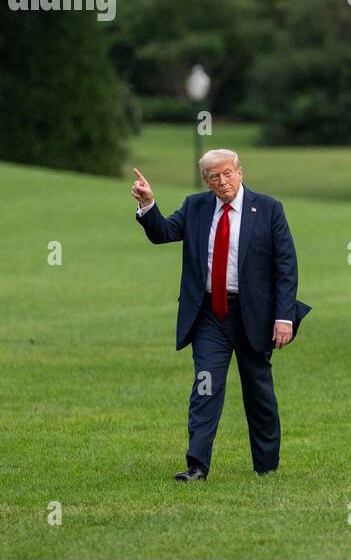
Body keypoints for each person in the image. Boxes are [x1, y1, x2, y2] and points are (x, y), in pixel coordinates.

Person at [131, 149, 310, 481]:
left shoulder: (269, 209)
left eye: (228, 173)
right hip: (210, 314)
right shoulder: (196, 206)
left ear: (240, 172)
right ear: (206, 181)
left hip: (252, 315)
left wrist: (283, 317)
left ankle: (266, 466)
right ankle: (197, 466)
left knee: (258, 390)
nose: (223, 180)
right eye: (215, 176)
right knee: (206, 386)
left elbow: (286, 266)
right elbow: (163, 234)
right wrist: (148, 204)